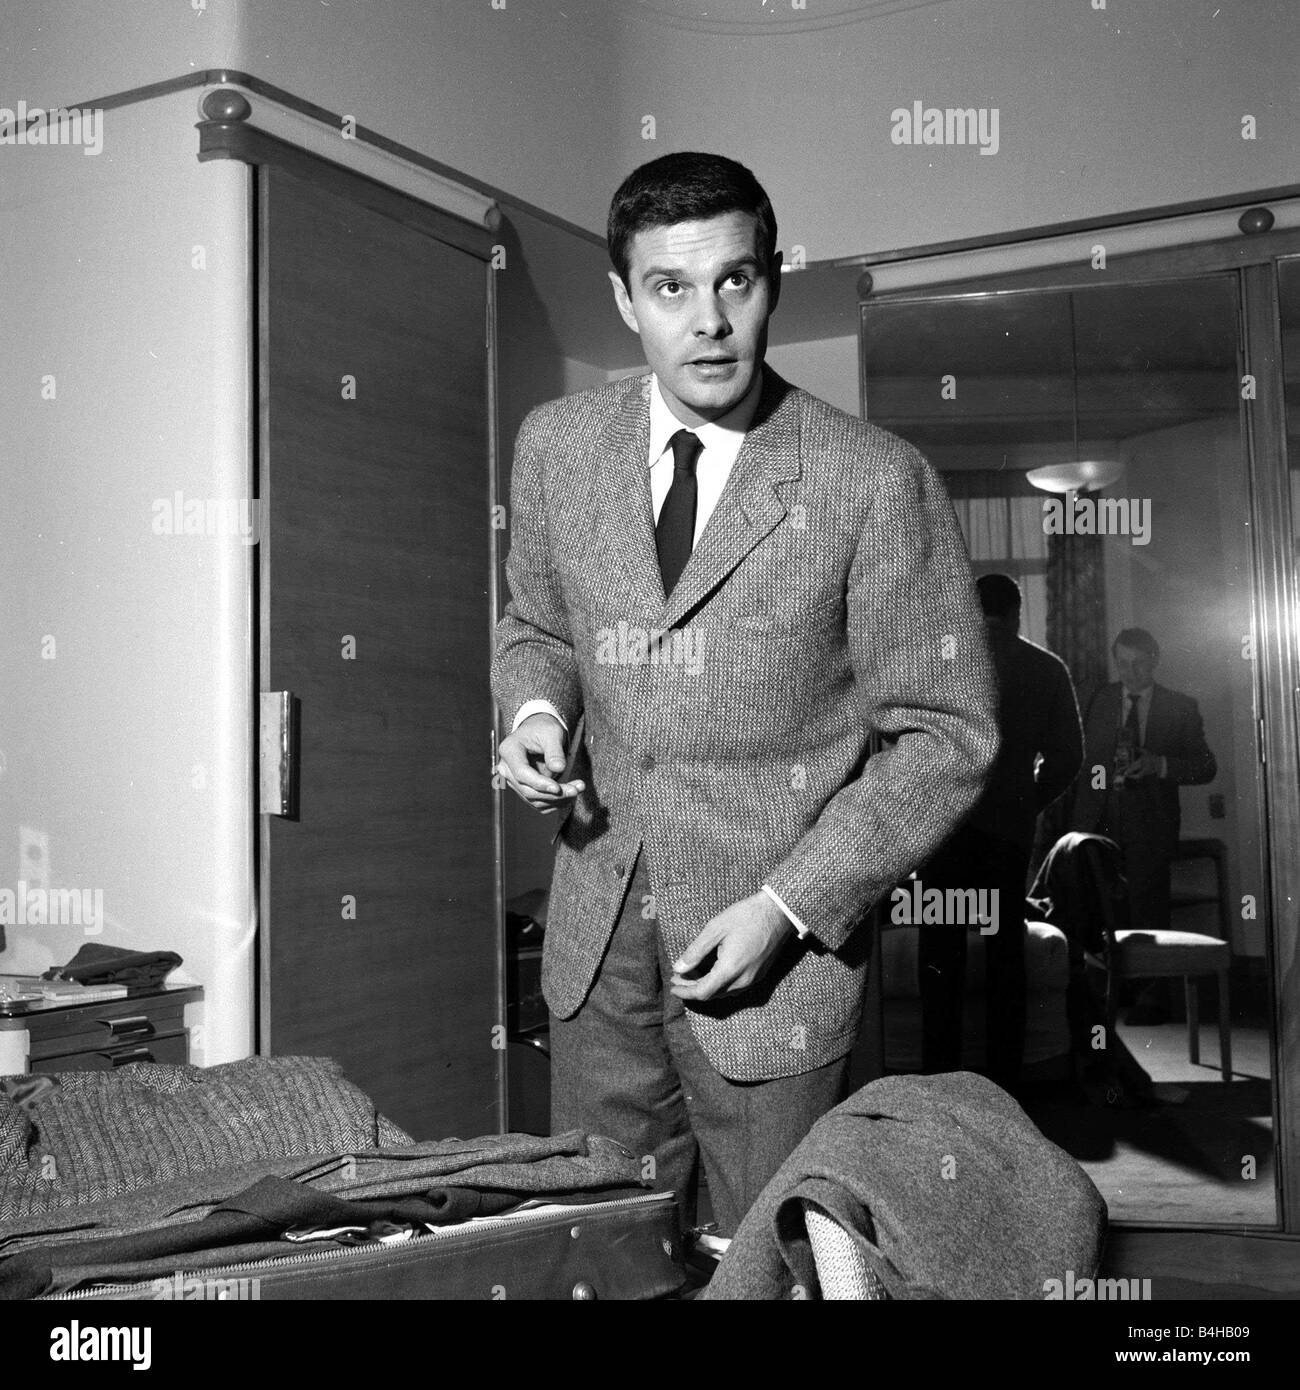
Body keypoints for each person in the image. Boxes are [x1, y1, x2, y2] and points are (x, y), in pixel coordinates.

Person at [490, 151, 997, 1236]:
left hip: (774, 957)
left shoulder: (870, 477)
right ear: (625, 299)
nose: (708, 319)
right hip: (595, 945)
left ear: (773, 279)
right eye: (670, 287)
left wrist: (789, 907)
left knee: (764, 1256)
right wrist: (536, 715)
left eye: (737, 280)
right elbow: (537, 626)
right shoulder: (555, 447)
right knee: (598, 1246)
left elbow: (946, 737)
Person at [918, 573, 1083, 1087]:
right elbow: (1069, 758)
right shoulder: (1046, 667)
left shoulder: (943, 662)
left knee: (940, 959)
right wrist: (1029, 800)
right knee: (1003, 961)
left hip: (945, 831)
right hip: (1006, 836)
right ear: (1015, 614)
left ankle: (937, 1086)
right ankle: (1003, 1089)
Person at [1072, 627, 1217, 1020]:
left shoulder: (1179, 707)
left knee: (1147, 910)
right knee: (1102, 911)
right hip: (1097, 822)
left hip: (1149, 824)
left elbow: (1206, 767)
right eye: (1122, 664)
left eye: (1138, 664)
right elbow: (1081, 759)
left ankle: (1153, 1000)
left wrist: (1161, 764)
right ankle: (1111, 995)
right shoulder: (1097, 699)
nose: (1129, 672)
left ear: (1154, 659)